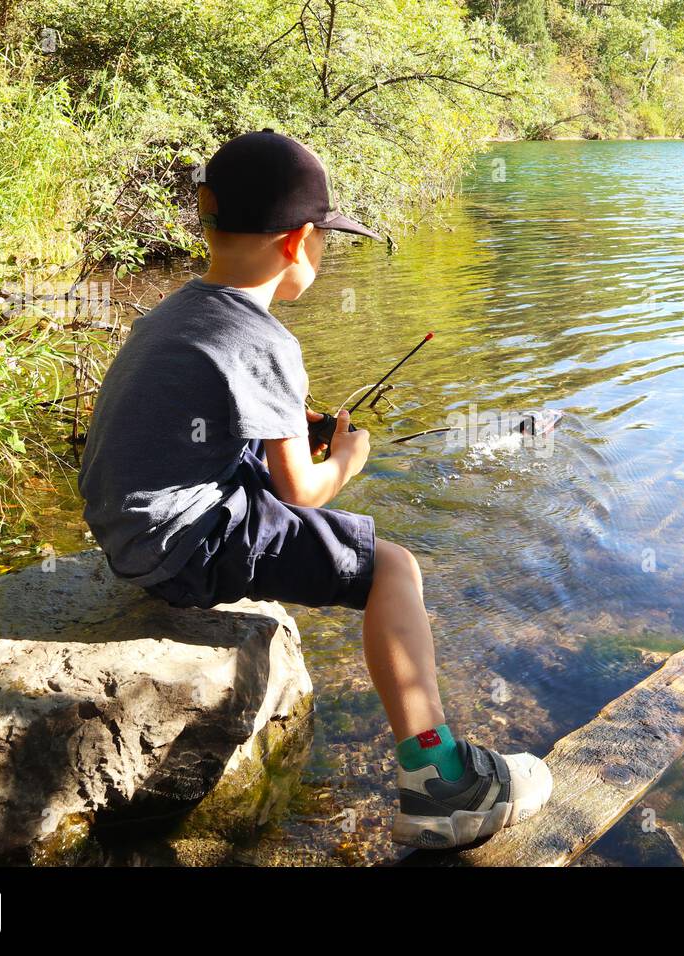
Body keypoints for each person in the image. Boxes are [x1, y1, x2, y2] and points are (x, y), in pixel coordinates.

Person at [78, 130, 553, 849]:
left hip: (128, 532)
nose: (325, 252)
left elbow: (184, 415)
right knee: (393, 567)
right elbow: (300, 494)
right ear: (299, 241)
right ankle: (439, 779)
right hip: (180, 548)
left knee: (296, 511)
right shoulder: (267, 340)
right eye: (326, 238)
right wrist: (351, 458)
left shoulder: (178, 310)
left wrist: (282, 424)